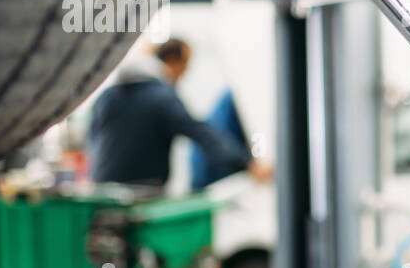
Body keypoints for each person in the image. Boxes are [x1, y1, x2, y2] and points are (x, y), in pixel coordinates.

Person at [87, 38, 272, 188]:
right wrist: (247, 163)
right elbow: (201, 133)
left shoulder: (107, 96)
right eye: (185, 65)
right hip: (142, 194)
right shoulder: (161, 97)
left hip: (101, 189)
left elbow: (92, 139)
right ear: (171, 61)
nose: (186, 73)